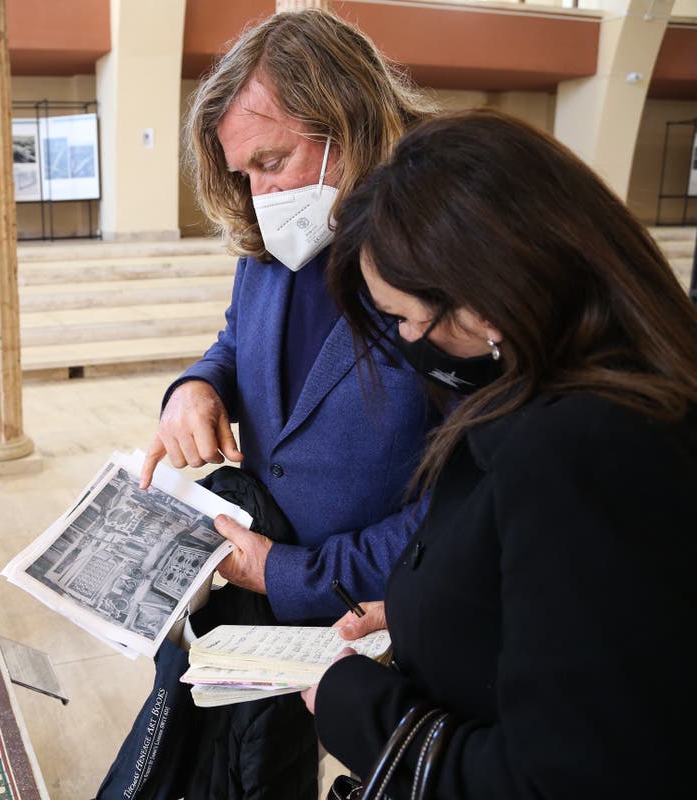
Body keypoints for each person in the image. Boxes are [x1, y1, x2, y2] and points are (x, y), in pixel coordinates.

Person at [306, 110, 697, 798]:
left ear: (486, 304)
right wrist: (426, 605)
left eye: (404, 318)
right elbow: (574, 613)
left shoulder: (581, 450)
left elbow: (560, 778)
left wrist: (353, 704)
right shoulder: (604, 388)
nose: (403, 340)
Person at [143, 10, 439, 629]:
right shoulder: (279, 242)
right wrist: (199, 385)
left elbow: (466, 507)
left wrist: (287, 574)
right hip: (265, 597)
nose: (261, 196)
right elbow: (238, 340)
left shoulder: (442, 263)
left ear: (350, 126)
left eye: (273, 163)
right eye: (244, 175)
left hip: (379, 619)